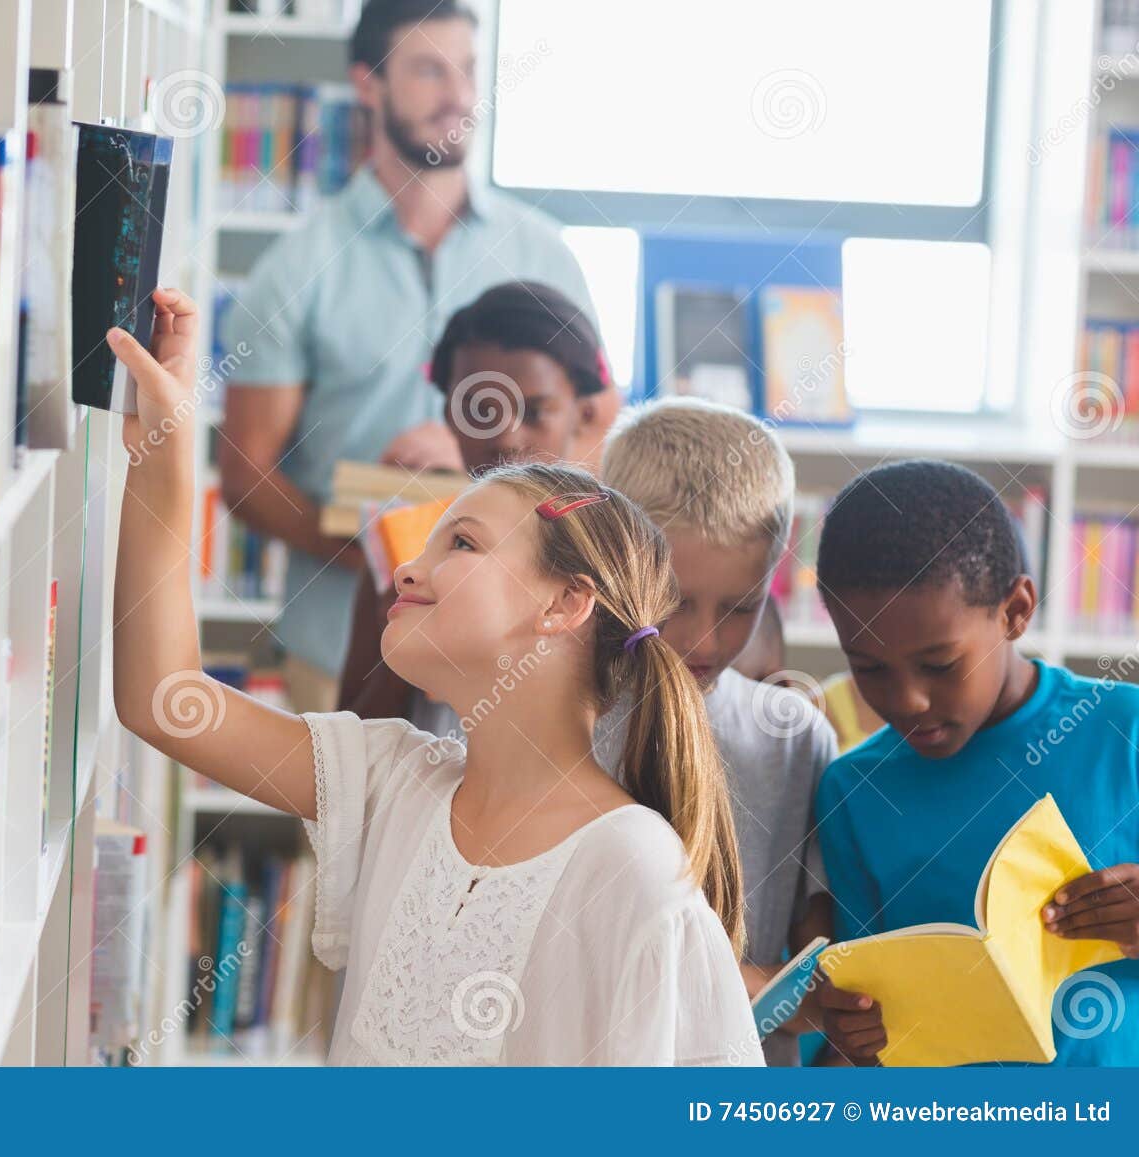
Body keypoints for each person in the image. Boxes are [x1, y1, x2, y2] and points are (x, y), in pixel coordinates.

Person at [107, 290, 760, 1065]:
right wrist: (169, 453)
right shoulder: (392, 779)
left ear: (565, 603)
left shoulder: (634, 867)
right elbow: (163, 702)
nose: (411, 565)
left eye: (462, 542)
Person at [218, 0, 596, 713]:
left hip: (520, 652)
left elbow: (599, 433)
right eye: (428, 69)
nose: (458, 95)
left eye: (470, 70)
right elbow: (245, 475)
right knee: (343, 828)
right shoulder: (294, 266)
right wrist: (385, 541)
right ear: (368, 83)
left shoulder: (546, 256)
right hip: (336, 649)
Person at [811, 459, 1139, 1066]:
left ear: (1016, 610)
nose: (906, 700)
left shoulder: (1125, 730)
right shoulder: (854, 790)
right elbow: (853, 1016)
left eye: (939, 664)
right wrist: (850, 1033)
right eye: (870, 669)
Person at [598, 398, 839, 1065]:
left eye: (739, 607)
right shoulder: (546, 717)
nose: (704, 640)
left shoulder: (795, 739)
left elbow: (815, 958)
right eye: (674, 600)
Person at [337, 280, 619, 730]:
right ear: (449, 413)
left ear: (582, 414)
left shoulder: (618, 554)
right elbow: (350, 734)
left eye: (533, 412)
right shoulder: (404, 549)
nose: (505, 436)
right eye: (480, 408)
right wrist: (402, 638)